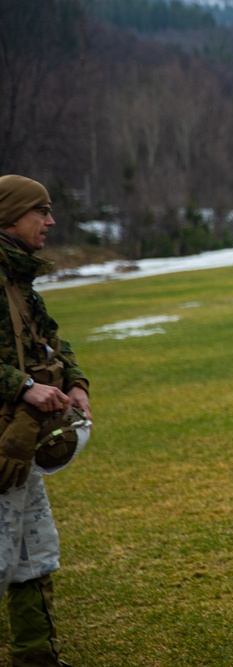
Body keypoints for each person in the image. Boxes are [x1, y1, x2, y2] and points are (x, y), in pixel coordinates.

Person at [0, 175, 92, 667]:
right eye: (41, 211)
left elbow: (51, 340)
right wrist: (21, 386)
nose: (51, 221)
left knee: (33, 553)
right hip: (4, 440)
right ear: (10, 216)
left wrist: (75, 381)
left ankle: (36, 658)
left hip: (19, 442)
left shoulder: (19, 279)